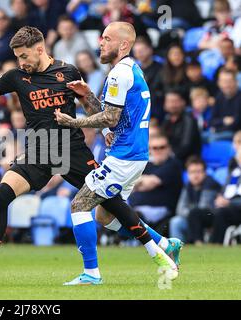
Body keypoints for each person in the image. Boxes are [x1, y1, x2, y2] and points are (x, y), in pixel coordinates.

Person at [0, 26, 180, 283]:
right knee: (1, 194)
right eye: (17, 58)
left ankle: (161, 244)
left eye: (24, 56)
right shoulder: (15, 76)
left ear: (40, 49)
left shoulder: (68, 72)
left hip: (72, 150)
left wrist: (94, 113)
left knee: (111, 206)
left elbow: (96, 113)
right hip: (39, 149)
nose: (21, 63)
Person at [55, 22, 180, 284]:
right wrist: (87, 96)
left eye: (107, 39)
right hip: (130, 154)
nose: (101, 43)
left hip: (125, 156)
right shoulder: (129, 69)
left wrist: (73, 121)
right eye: (101, 37)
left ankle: (91, 273)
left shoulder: (118, 74)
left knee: (79, 205)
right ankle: (164, 244)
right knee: (105, 214)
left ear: (123, 45)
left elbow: (110, 118)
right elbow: (113, 117)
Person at [170, 156, 221, 242]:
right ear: (187, 174)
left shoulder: (210, 184)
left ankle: (196, 244)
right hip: (192, 218)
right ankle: (177, 249)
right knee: (176, 221)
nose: (195, 175)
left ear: (205, 172)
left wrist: (190, 211)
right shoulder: (188, 186)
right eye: (192, 172)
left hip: (211, 220)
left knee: (195, 215)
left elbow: (203, 208)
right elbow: (180, 209)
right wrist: (190, 213)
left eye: (198, 172)